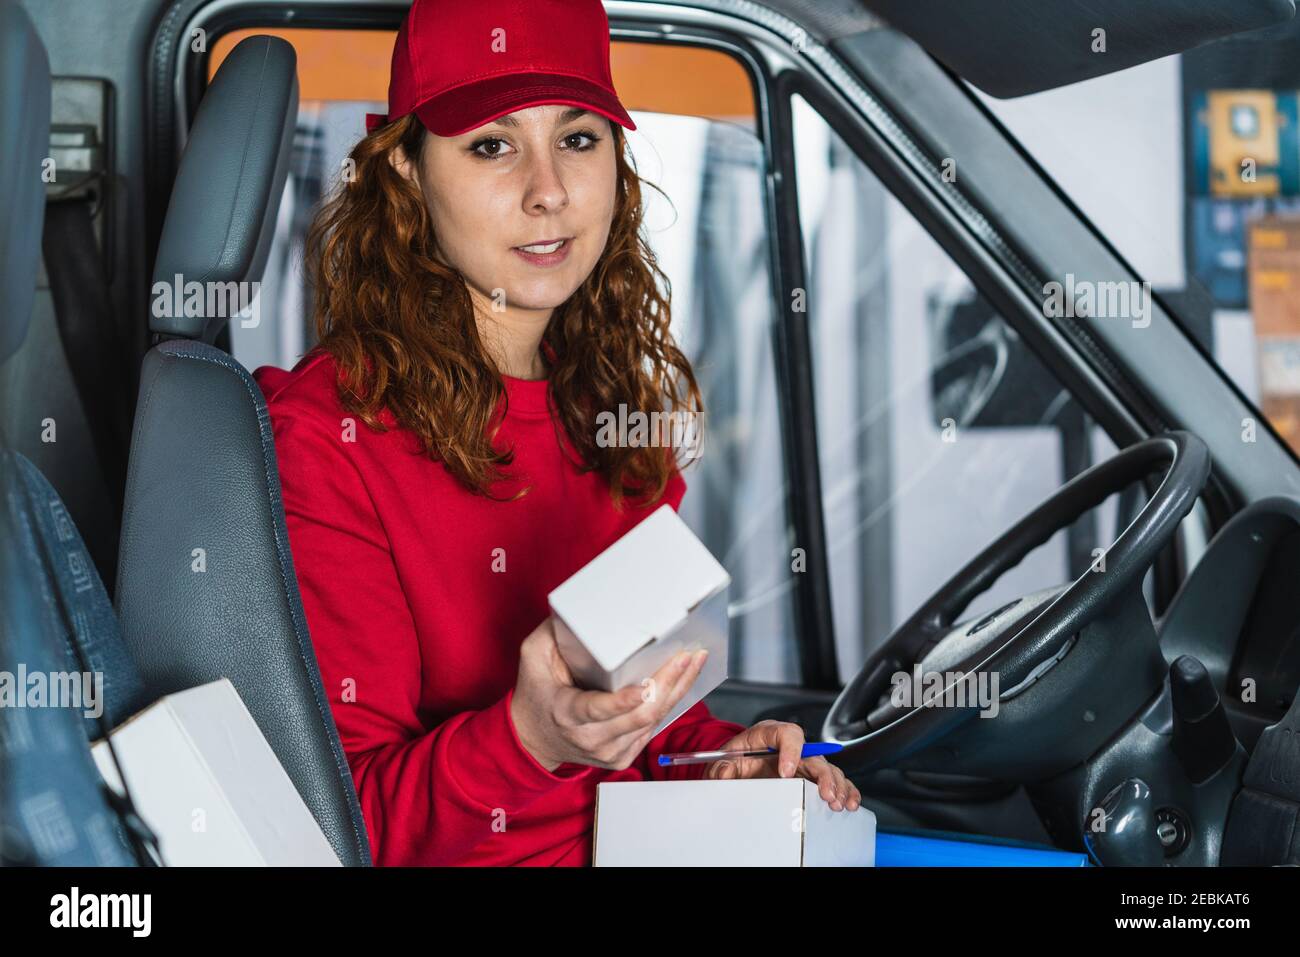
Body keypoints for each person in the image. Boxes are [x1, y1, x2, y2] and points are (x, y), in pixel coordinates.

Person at [252, 0, 860, 867]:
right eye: (493, 146)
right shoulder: (324, 442)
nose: (550, 190)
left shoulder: (613, 422)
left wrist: (722, 761)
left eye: (578, 139)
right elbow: (340, 828)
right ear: (411, 177)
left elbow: (647, 722)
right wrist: (527, 738)